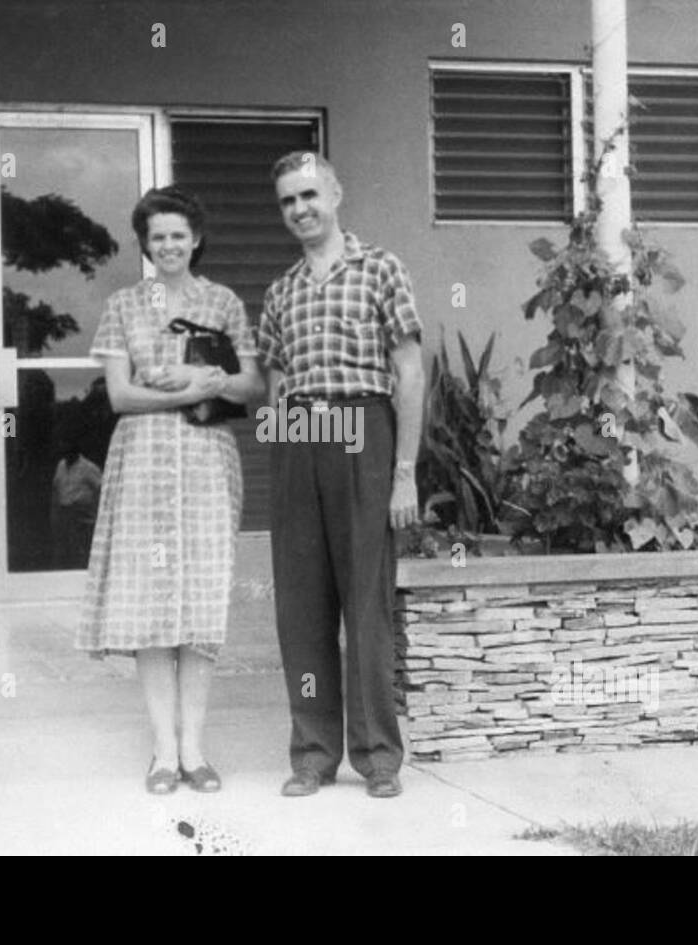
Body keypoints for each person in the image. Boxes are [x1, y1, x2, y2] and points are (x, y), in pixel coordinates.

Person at [76, 185, 264, 795]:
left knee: (202, 602)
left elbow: (252, 387)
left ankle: (194, 749)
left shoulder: (224, 302)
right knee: (151, 604)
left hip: (208, 463)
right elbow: (120, 396)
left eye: (179, 234)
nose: (169, 245)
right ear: (145, 244)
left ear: (196, 239)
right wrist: (187, 391)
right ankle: (162, 753)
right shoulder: (123, 305)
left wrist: (206, 376)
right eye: (157, 236)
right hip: (143, 464)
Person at [257, 152, 424, 799]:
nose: (300, 209)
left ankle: (379, 755)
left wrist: (404, 471)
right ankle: (313, 752)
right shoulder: (281, 290)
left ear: (335, 194)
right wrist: (287, 459)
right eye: (287, 201)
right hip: (301, 435)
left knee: (367, 604)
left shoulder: (381, 268)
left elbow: (409, 370)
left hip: (364, 432)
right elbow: (275, 383)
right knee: (302, 606)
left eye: (309, 195)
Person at [50, 438, 102, 569]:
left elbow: (100, 489)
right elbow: (56, 489)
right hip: (64, 515)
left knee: (80, 555)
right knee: (63, 553)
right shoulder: (61, 465)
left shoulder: (89, 468)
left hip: (81, 518)